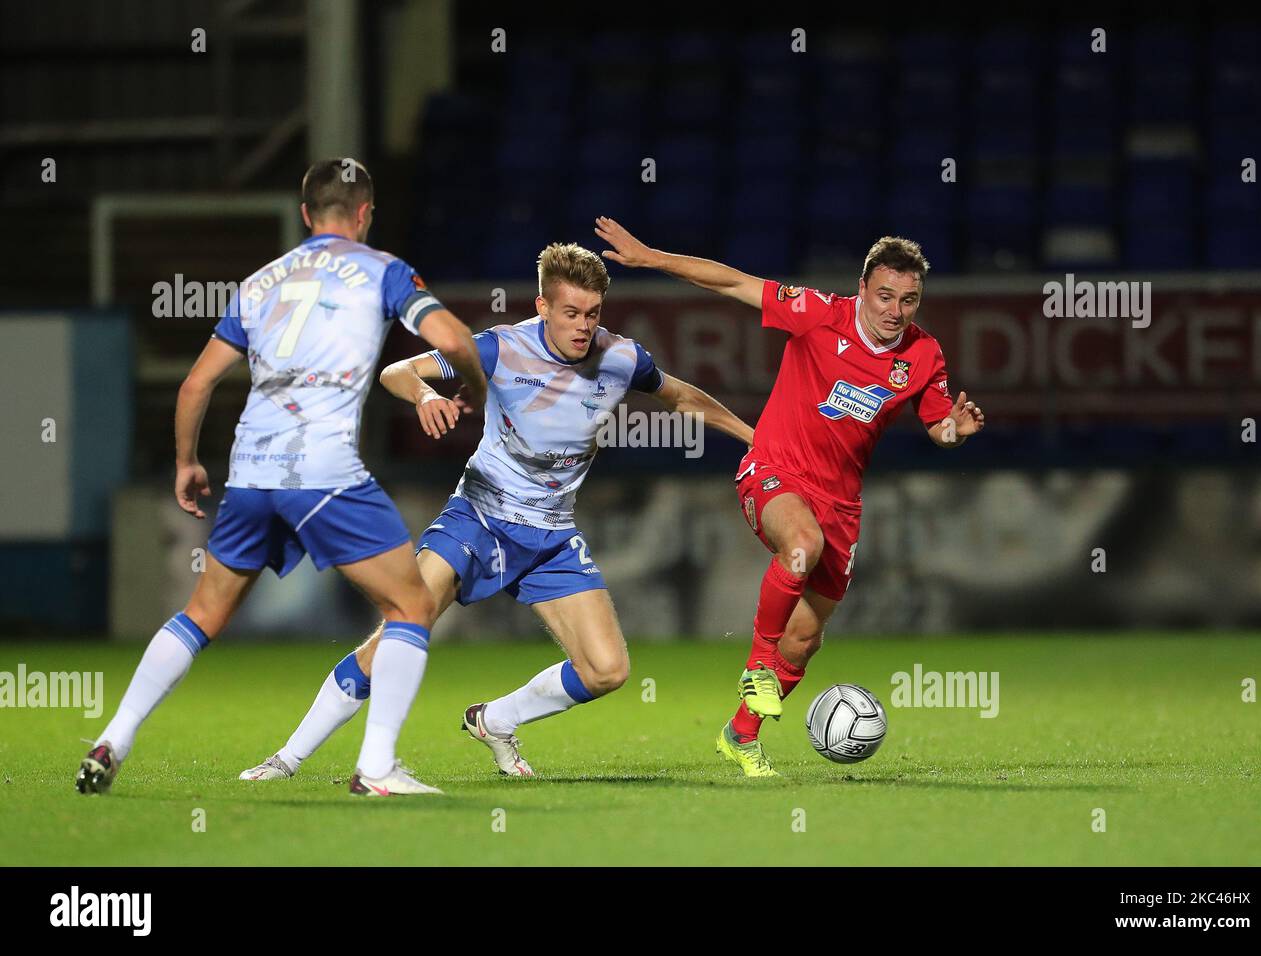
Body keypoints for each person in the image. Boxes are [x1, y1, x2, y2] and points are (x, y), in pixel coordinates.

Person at [239, 241, 754, 781]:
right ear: (542, 307)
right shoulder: (499, 348)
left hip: (550, 536)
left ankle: (496, 719)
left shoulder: (623, 358)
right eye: (571, 313)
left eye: (593, 313)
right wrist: (424, 396)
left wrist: (753, 437)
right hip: (478, 519)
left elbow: (684, 399)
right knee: (400, 628)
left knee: (607, 670)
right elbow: (397, 371)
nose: (583, 326)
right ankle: (286, 758)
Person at [77, 158, 487, 798]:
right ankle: (377, 767)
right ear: (364, 213)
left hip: (249, 471)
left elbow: (196, 383)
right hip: (324, 471)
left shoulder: (260, 282)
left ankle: (115, 737)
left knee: (201, 614)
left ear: (304, 214)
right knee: (409, 605)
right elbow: (456, 340)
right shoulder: (384, 271)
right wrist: (477, 390)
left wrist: (187, 462)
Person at [595, 216, 985, 777]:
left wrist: (956, 431)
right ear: (863, 289)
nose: (894, 311)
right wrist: (652, 257)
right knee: (801, 544)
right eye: (884, 296)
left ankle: (740, 734)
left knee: (802, 641)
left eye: (908, 299)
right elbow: (732, 282)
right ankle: (756, 668)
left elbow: (937, 427)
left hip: (842, 504)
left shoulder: (922, 354)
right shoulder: (818, 314)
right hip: (773, 468)